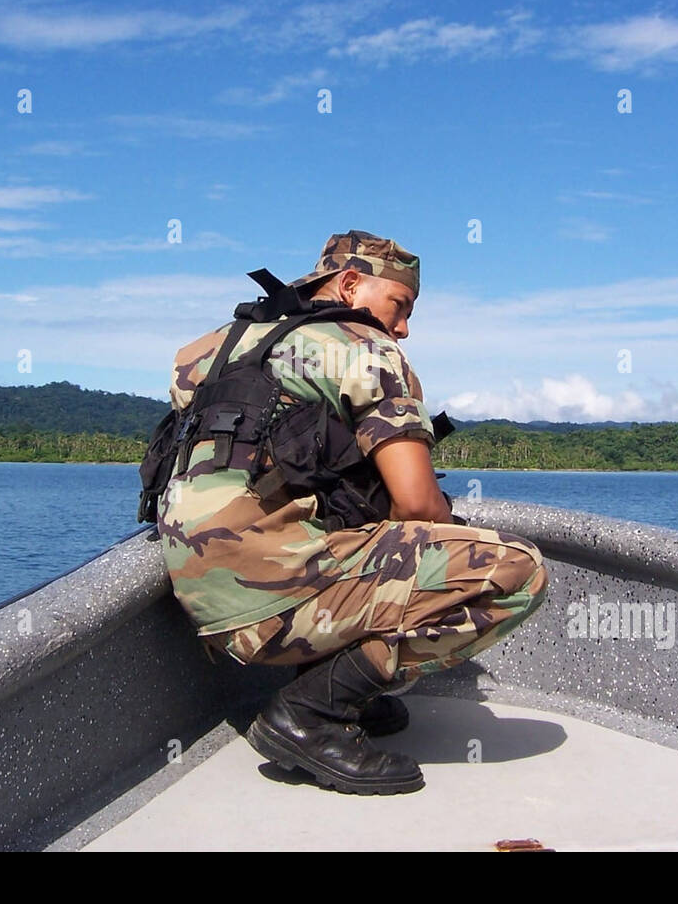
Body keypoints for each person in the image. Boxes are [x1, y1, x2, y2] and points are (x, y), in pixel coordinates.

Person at [154, 230, 549, 795]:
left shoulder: (210, 347)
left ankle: (331, 679)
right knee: (515, 570)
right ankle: (310, 712)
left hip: (200, 600)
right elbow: (416, 503)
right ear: (349, 284)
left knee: (346, 509)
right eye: (400, 306)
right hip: (272, 603)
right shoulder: (364, 348)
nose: (404, 327)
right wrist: (452, 533)